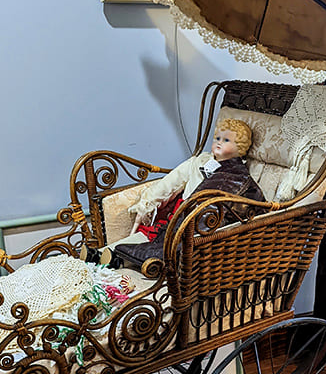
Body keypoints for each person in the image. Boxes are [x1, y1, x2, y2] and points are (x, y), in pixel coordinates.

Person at [104, 113, 265, 269]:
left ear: (240, 147)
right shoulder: (199, 162)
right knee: (150, 238)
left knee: (170, 239)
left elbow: (224, 204)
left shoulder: (236, 175)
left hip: (199, 220)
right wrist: (148, 202)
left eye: (227, 140)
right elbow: (171, 182)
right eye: (217, 138)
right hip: (181, 214)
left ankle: (129, 258)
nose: (219, 142)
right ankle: (104, 258)